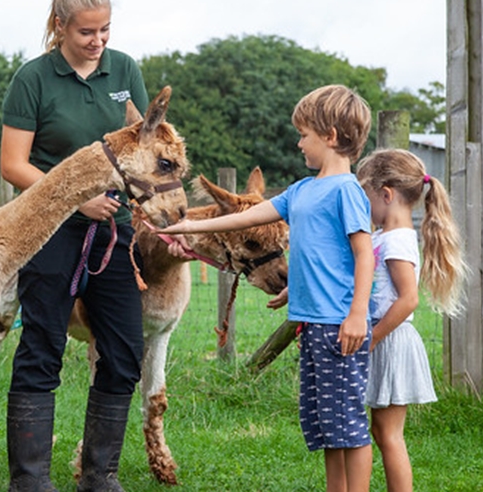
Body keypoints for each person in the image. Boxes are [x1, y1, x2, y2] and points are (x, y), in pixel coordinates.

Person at [158, 84, 375, 492]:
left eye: (304, 135)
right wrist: (191, 226)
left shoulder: (346, 191)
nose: (299, 143)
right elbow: (245, 218)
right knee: (326, 423)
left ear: (330, 137)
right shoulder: (303, 191)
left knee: (347, 423)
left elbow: (364, 255)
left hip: (339, 326)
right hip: (312, 324)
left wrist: (358, 314)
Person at [0, 1, 149, 490]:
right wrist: (76, 200)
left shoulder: (124, 69)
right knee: (42, 346)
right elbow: (14, 165)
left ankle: (98, 476)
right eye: (87, 31)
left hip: (115, 231)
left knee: (126, 352)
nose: (97, 40)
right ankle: (30, 481)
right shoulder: (33, 79)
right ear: (59, 26)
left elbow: (140, 146)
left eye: (105, 29)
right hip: (50, 229)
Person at [356, 149, 467, 492]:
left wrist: (372, 338)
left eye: (366, 198)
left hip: (390, 340)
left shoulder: (398, 240)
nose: (363, 208)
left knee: (389, 434)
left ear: (386, 194)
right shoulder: (383, 236)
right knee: (381, 430)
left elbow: (408, 299)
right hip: (382, 337)